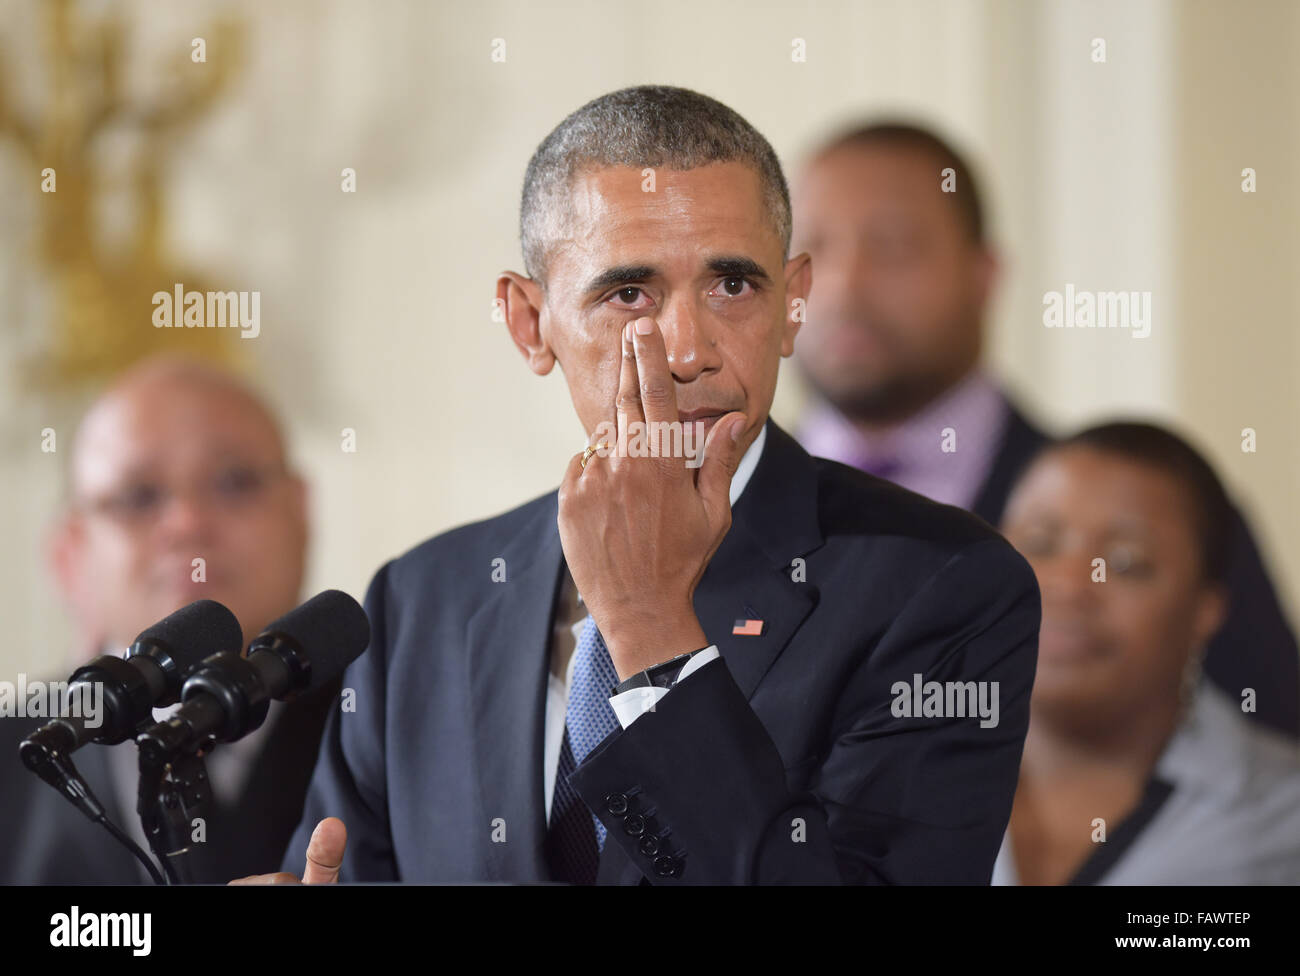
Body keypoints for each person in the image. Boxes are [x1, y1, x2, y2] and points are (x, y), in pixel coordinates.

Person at [239, 85, 1040, 886]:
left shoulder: (946, 588)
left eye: (733, 285)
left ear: (793, 304)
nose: (688, 349)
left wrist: (650, 627)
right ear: (529, 322)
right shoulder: (422, 602)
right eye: (629, 293)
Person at [790, 121, 1299, 738]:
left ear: (984, 274)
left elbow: (1275, 771)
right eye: (812, 247)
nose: (846, 283)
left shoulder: (1162, 517)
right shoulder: (702, 505)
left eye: (894, 245)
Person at [0, 355, 338, 884]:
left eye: (234, 482)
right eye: (139, 496)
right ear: (71, 554)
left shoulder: (388, 733)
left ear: (301, 514)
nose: (188, 523)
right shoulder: (20, 753)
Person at [994, 422, 1300, 884]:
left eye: (1126, 562)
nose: (1071, 584)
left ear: (1205, 611)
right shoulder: (890, 774)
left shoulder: (1283, 821)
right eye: (1040, 544)